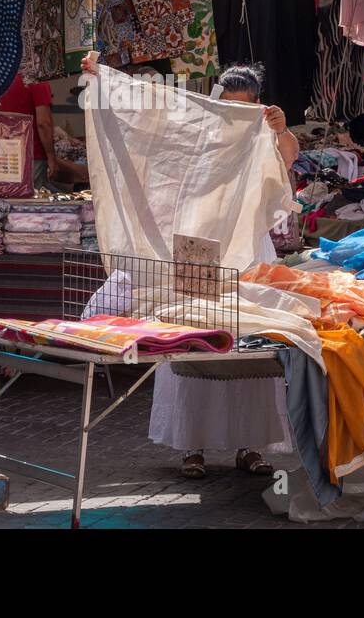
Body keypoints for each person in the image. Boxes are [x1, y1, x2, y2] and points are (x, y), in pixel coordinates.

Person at [81, 57, 298, 479]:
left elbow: (288, 159)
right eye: (230, 106)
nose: (238, 116)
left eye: (246, 108)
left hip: (249, 256)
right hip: (199, 255)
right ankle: (191, 447)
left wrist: (280, 128)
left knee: (247, 350)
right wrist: (102, 79)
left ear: (258, 105)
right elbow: (147, 118)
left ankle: (251, 446)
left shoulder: (265, 132)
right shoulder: (200, 134)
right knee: (193, 344)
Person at [0, 72, 62, 190]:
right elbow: (44, 123)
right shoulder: (37, 82)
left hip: (5, 154)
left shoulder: (2, 79)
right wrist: (51, 157)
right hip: (32, 156)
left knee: (10, 199)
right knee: (33, 201)